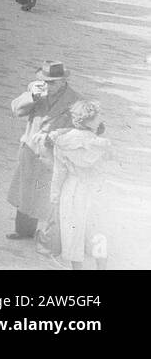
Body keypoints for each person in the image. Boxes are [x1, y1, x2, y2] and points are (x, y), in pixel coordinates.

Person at [7, 61, 83, 242]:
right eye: (45, 81)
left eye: (53, 82)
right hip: (31, 150)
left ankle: (53, 238)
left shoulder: (75, 100)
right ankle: (24, 231)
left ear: (64, 81)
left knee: (48, 194)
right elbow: (17, 110)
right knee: (26, 190)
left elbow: (81, 130)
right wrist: (32, 97)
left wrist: (57, 136)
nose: (48, 86)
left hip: (53, 156)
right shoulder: (37, 92)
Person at [46, 100, 111, 270]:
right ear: (92, 121)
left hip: (72, 188)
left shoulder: (61, 141)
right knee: (99, 230)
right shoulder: (101, 144)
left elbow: (59, 172)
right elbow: (107, 168)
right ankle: (101, 268)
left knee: (73, 230)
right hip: (96, 190)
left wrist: (54, 196)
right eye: (98, 117)